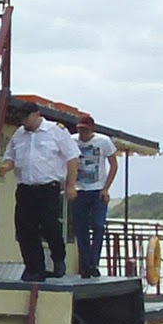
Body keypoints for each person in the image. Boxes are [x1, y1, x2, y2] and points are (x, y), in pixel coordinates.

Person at [0, 102, 79, 281]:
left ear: (36, 114)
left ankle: (58, 259)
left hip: (47, 187)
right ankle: (34, 268)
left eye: (26, 118)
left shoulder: (56, 131)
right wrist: (6, 166)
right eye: (21, 119)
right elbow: (11, 156)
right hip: (25, 188)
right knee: (25, 229)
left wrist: (71, 185)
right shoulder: (19, 134)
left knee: (50, 225)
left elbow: (72, 158)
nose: (23, 122)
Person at [70, 113, 118, 278]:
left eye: (85, 130)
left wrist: (106, 188)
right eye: (80, 130)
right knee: (80, 227)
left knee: (98, 225)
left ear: (91, 130)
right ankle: (86, 264)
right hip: (80, 189)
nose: (82, 134)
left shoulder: (103, 141)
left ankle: (93, 261)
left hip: (97, 189)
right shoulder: (72, 140)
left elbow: (113, 165)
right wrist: (70, 185)